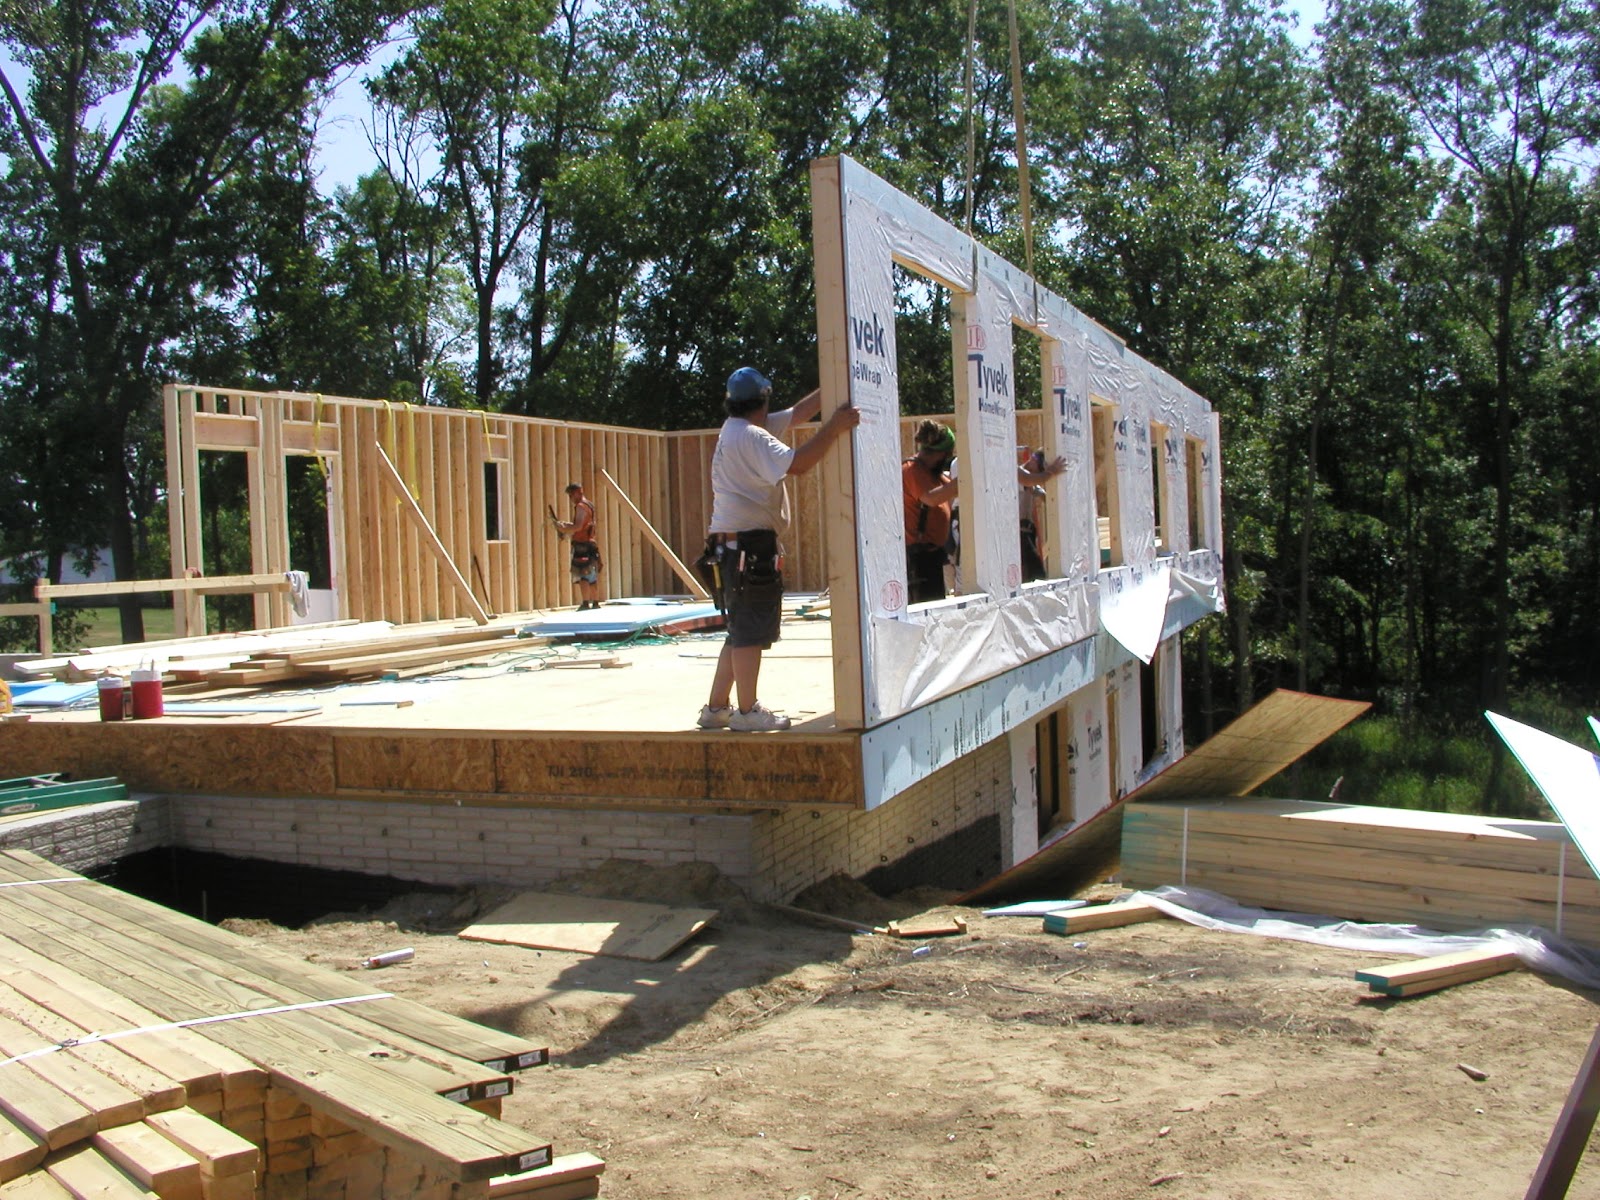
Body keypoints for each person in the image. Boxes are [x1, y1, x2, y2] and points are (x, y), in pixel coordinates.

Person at [697, 367, 860, 732]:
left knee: (740, 631)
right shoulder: (752, 437)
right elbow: (799, 465)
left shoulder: (738, 429)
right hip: (746, 548)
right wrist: (834, 427)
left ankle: (717, 708)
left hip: (732, 546)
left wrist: (835, 383)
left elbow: (797, 414)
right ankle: (747, 712)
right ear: (763, 399)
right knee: (750, 633)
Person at [903, 420, 959, 604]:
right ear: (941, 453)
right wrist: (964, 479)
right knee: (924, 615)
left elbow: (949, 487)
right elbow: (931, 498)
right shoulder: (912, 471)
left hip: (931, 555)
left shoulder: (931, 473)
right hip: (918, 558)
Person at [557, 482, 603, 611]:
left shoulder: (581, 506)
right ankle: (595, 603)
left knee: (583, 575)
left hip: (582, 545)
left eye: (571, 495)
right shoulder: (589, 505)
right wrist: (567, 524)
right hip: (590, 544)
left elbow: (578, 527)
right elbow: (582, 523)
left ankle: (585, 603)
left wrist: (564, 528)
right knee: (592, 576)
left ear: (577, 493)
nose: (571, 498)